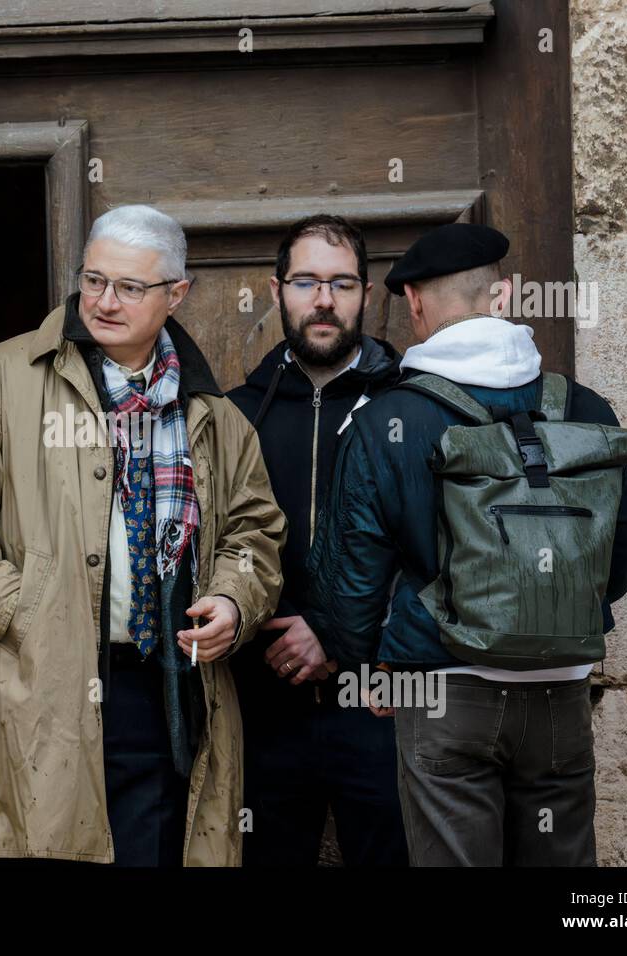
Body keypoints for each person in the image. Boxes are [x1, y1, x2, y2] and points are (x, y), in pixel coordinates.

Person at [0, 204, 285, 866]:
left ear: (177, 294)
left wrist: (232, 600)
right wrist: (27, 609)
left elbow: (253, 533)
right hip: (37, 687)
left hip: (163, 693)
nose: (104, 302)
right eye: (94, 280)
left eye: (130, 288)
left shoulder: (216, 416)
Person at [306, 223, 627, 866]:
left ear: (414, 304)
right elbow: (619, 562)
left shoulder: (383, 421)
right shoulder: (586, 408)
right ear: (506, 294)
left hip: (442, 690)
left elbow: (349, 585)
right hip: (559, 697)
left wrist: (373, 665)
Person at [228, 215, 408, 866]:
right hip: (261, 707)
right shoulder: (234, 415)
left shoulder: (407, 409)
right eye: (306, 281)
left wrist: (338, 635)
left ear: (367, 294)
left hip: (384, 705)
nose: (324, 299)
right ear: (277, 292)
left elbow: (436, 552)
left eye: (342, 283)